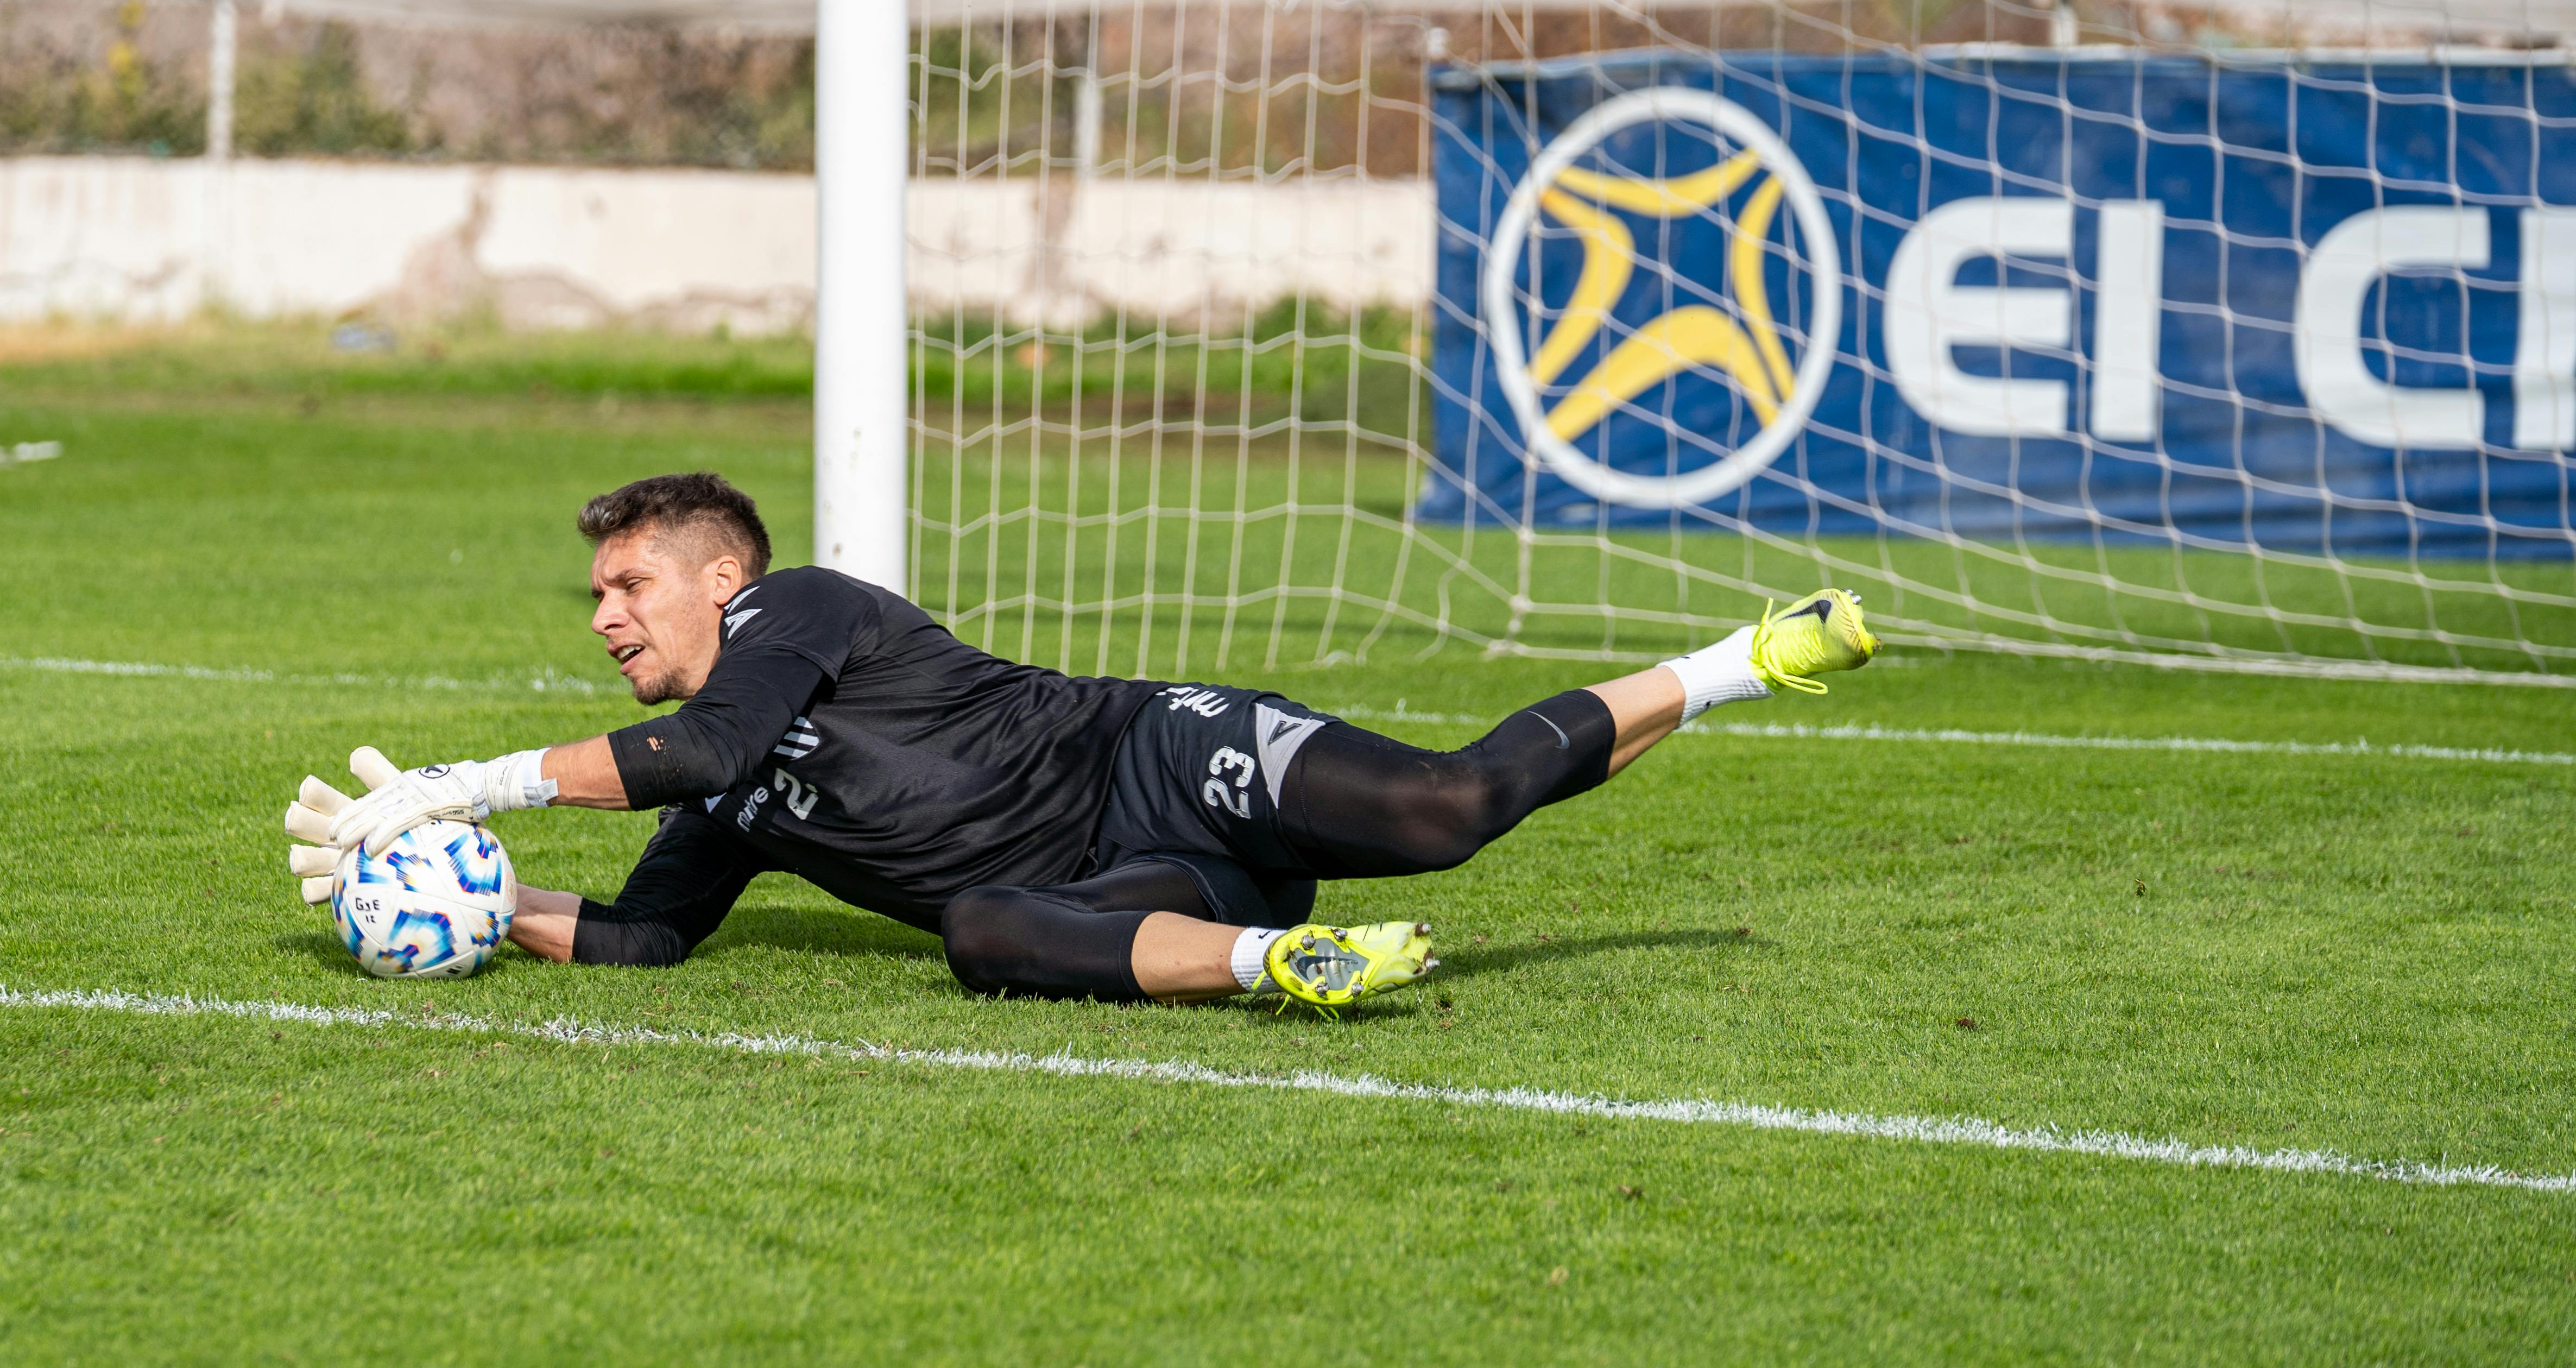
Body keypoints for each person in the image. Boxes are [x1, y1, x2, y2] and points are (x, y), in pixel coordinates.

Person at [282, 472, 1879, 1011]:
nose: (604, 616)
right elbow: (645, 930)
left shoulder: (802, 611)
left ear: (723, 575)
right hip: (1145, 891)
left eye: (626, 586)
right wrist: (482, 907)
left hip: (1154, 758)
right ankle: (1283, 970)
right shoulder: (735, 774)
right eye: (595, 597)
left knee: (1449, 803)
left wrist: (462, 783)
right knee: (976, 935)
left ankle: (1740, 659)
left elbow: (704, 756)